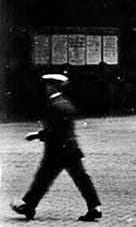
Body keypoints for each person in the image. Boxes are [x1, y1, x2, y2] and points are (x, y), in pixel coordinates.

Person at [10, 73, 103, 222]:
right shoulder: (66, 103)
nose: (46, 89)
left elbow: (54, 131)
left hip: (56, 149)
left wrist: (37, 135)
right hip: (71, 148)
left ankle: (28, 205)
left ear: (52, 87)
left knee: (43, 179)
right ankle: (95, 207)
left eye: (48, 86)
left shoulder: (53, 106)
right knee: (82, 179)